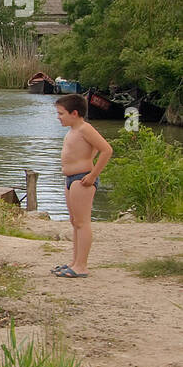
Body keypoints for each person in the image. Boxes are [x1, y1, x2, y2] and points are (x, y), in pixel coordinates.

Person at [54, 93, 113, 277]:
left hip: (82, 179)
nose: (58, 117)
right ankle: (74, 261)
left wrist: (93, 174)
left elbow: (106, 149)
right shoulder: (72, 131)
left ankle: (82, 266)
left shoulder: (85, 129)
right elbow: (92, 149)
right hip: (70, 179)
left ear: (74, 113)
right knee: (74, 221)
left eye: (61, 113)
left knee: (82, 222)